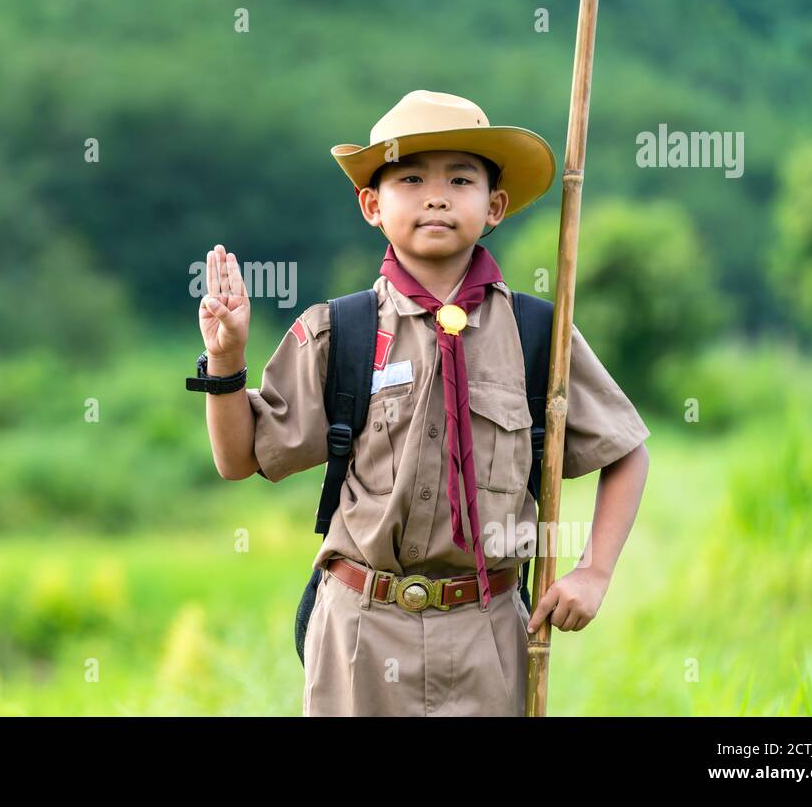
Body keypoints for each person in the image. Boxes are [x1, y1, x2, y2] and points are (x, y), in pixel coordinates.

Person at [195, 90, 651, 716]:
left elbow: (625, 451)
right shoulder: (339, 332)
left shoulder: (537, 334)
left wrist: (593, 573)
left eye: (460, 179)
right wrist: (225, 361)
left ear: (494, 206)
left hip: (488, 632)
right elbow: (239, 458)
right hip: (361, 629)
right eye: (411, 178)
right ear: (372, 205)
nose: (436, 196)